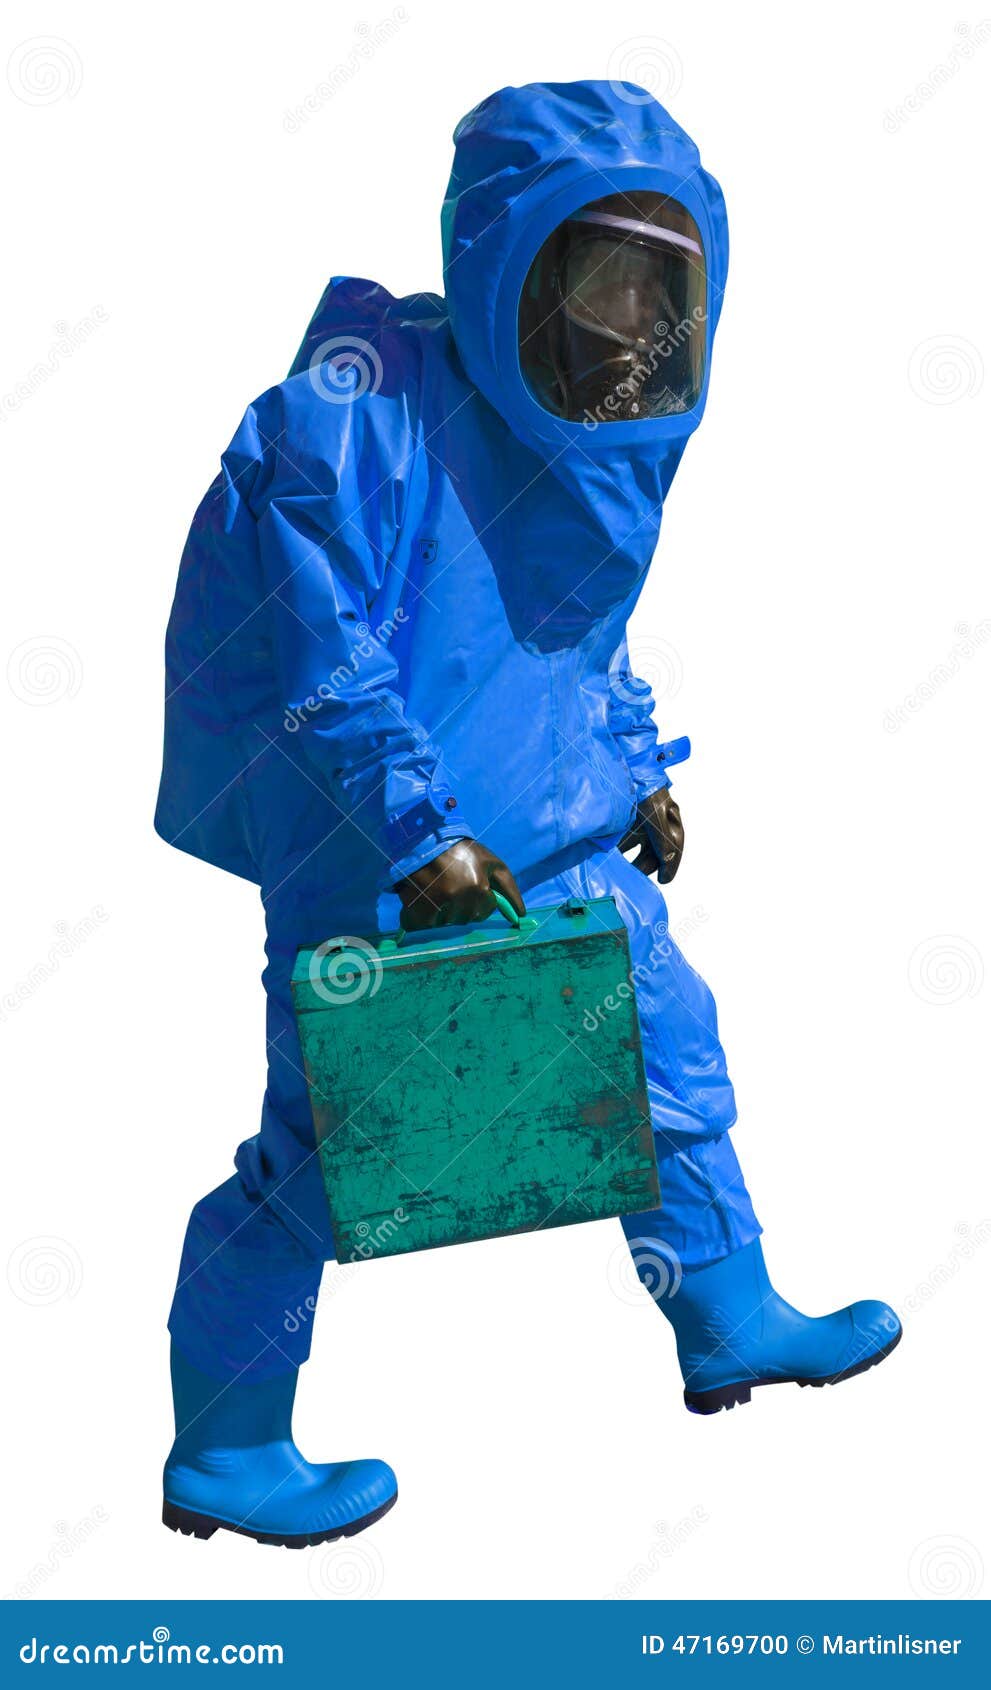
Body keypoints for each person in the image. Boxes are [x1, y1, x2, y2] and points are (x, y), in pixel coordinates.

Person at [155, 80, 900, 1548]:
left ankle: (727, 1312)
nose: (631, 318)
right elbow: (331, 653)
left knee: (665, 1041)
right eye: (599, 273)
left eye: (658, 279)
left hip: (542, 836)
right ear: (510, 265)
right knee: (339, 1143)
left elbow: (574, 632)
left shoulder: (579, 445)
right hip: (372, 855)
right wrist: (414, 828)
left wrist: (635, 767)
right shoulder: (350, 419)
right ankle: (227, 1448)